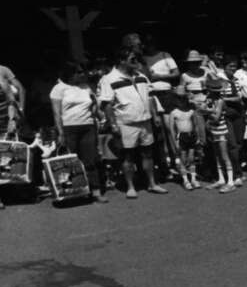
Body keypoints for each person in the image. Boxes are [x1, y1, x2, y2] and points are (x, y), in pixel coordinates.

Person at [98, 47, 168, 199]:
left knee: (148, 153)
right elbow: (107, 104)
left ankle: (152, 183)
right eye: (132, 59)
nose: (136, 62)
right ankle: (130, 186)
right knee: (128, 156)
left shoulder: (141, 76)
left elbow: (150, 97)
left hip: (145, 121)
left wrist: (155, 115)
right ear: (122, 61)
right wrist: (114, 124)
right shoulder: (109, 79)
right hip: (126, 123)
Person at [50, 62, 107, 203]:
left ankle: (95, 191)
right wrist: (61, 133)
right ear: (70, 74)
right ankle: (73, 192)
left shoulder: (85, 87)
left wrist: (97, 110)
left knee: (91, 159)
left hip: (87, 126)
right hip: (69, 128)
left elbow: (93, 108)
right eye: (79, 72)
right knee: (70, 162)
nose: (83, 74)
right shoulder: (58, 89)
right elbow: (57, 113)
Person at [202, 78, 236, 193]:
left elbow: (216, 118)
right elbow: (207, 112)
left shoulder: (220, 101)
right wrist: (208, 111)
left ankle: (230, 182)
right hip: (213, 130)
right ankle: (221, 179)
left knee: (224, 156)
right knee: (217, 156)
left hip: (221, 130)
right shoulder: (209, 99)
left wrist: (207, 111)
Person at [171, 88, 200, 189]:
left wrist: (198, 137)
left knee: (191, 158)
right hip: (181, 137)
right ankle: (185, 180)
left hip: (191, 135)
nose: (182, 100)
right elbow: (171, 129)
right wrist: (175, 142)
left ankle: (193, 179)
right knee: (182, 158)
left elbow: (195, 124)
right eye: (179, 98)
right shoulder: (174, 112)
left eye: (184, 98)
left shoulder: (191, 111)